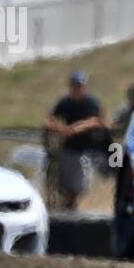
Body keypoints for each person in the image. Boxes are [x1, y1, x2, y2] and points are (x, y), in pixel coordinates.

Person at [45, 71, 108, 210]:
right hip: (69, 149)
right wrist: (62, 129)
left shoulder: (90, 102)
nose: (77, 89)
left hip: (86, 149)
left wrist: (75, 128)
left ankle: (71, 207)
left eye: (79, 86)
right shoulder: (64, 102)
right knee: (67, 186)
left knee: (80, 187)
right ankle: (69, 208)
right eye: (74, 86)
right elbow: (49, 120)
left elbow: (98, 120)